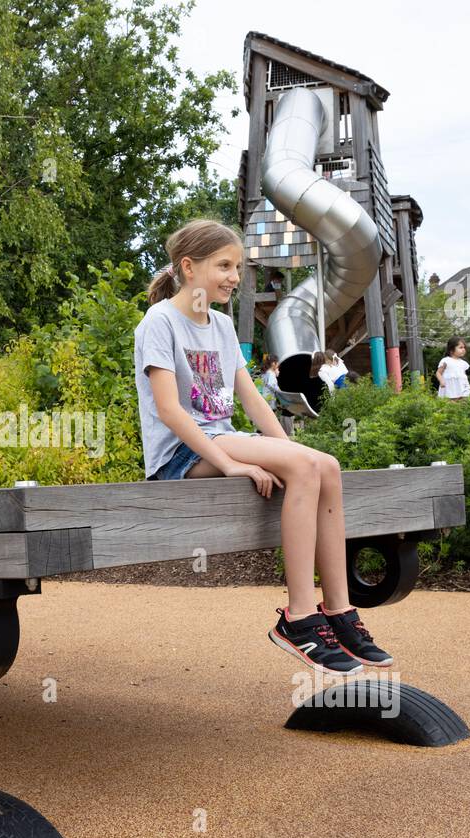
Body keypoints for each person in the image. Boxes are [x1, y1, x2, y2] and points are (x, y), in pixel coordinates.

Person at [135, 218, 392, 676]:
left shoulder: (220, 325)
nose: (235, 276)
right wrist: (230, 464)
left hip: (220, 440)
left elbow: (251, 398)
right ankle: (298, 617)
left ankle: (338, 610)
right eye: (225, 265)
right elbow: (171, 412)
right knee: (305, 465)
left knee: (325, 466)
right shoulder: (160, 321)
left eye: (239, 266)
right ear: (188, 267)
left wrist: (292, 451)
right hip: (181, 455)